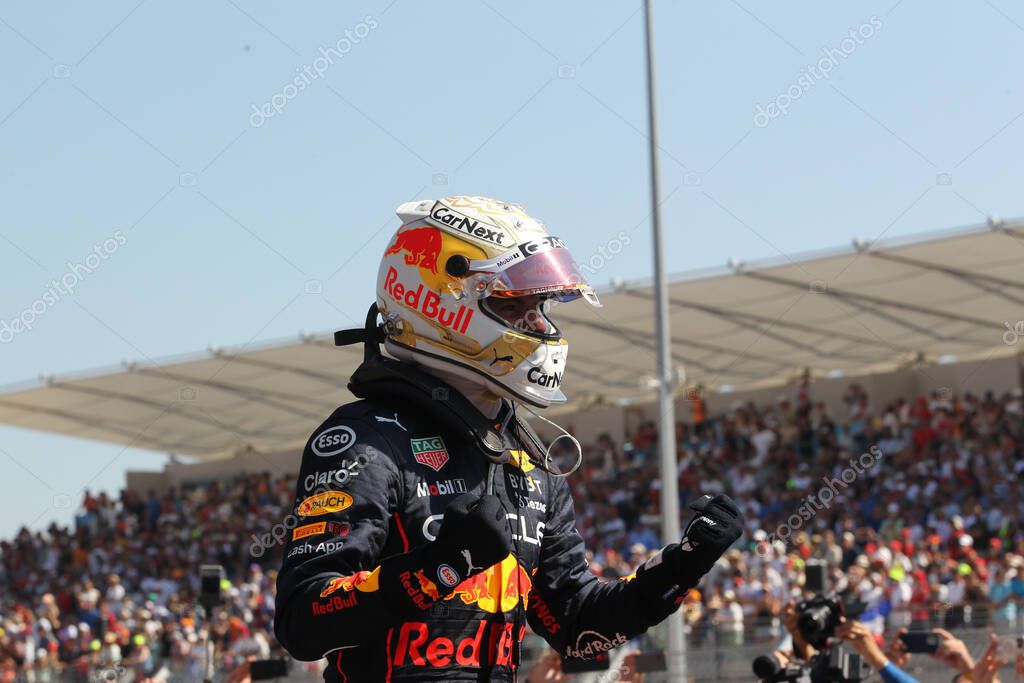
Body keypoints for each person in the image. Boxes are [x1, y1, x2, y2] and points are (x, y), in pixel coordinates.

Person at [272, 196, 743, 681]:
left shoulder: (530, 462)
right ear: (440, 302)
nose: (539, 324)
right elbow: (301, 622)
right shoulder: (365, 442)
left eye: (539, 305)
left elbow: (577, 627)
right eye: (513, 305)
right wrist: (438, 568)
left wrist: (682, 567)